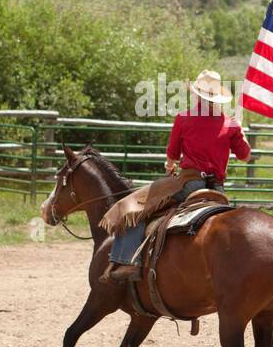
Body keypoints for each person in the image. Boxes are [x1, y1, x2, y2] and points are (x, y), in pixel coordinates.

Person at [103, 70, 251, 282]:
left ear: (198, 95)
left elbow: (172, 153)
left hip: (189, 183)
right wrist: (241, 135)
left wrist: (170, 166)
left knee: (134, 207)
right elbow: (245, 156)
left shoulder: (184, 119)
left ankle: (127, 263)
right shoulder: (231, 124)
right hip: (217, 190)